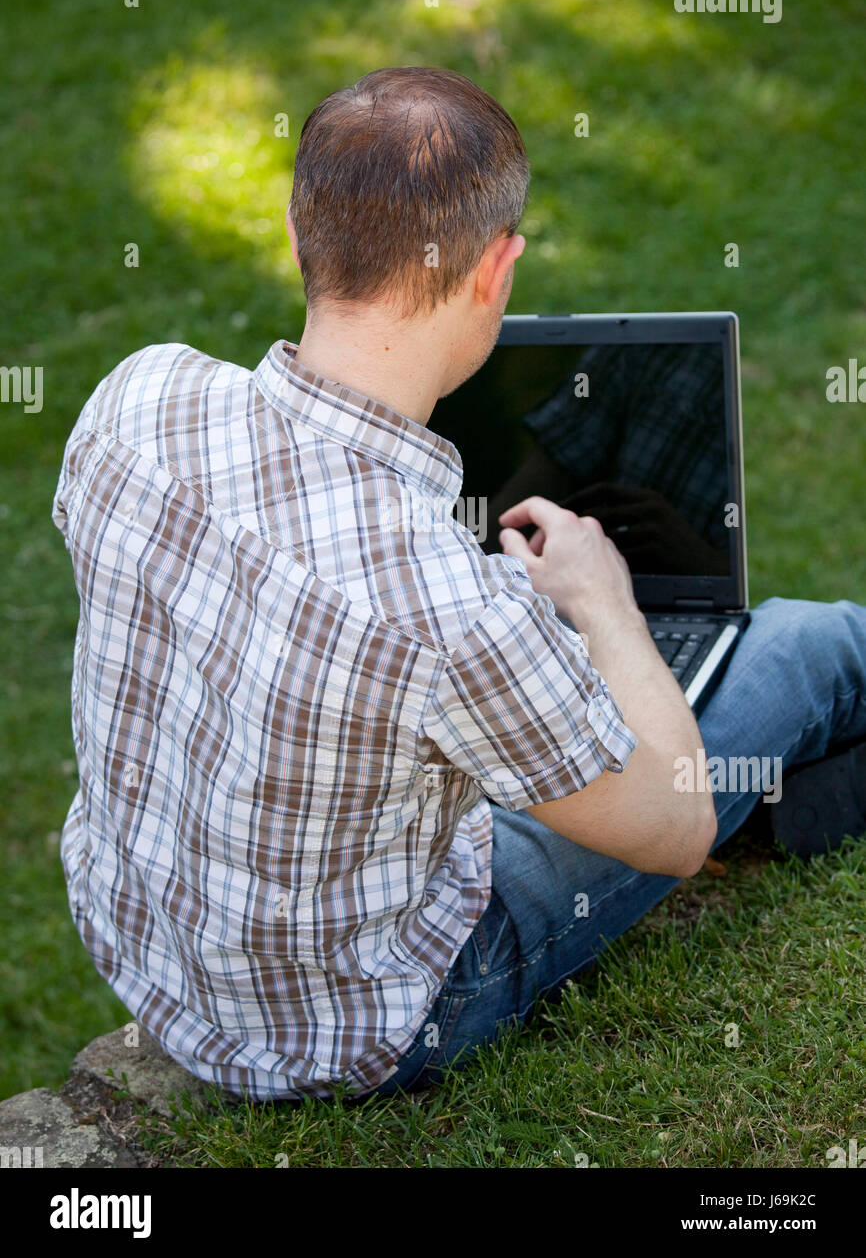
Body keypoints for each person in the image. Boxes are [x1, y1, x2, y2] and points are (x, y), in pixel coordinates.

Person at [51, 66, 866, 1105]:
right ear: (496, 270)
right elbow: (673, 828)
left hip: (153, 955)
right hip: (354, 1029)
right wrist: (601, 602)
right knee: (813, 643)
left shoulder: (139, 396)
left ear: (298, 237)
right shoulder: (451, 608)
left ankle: (808, 806)